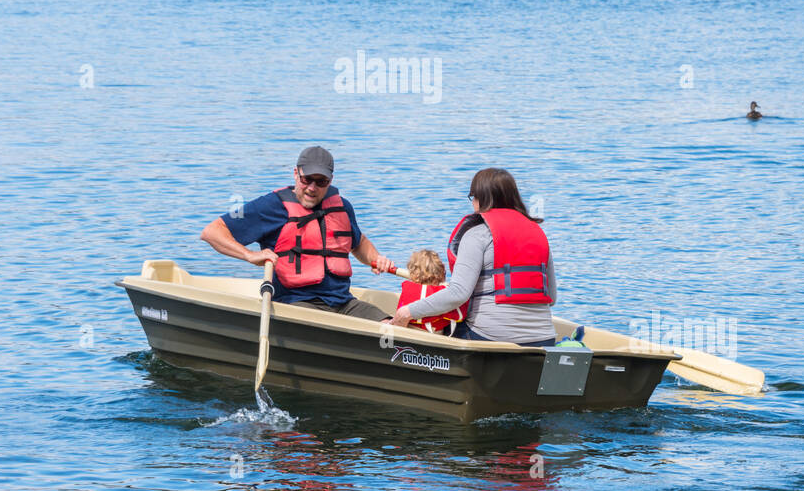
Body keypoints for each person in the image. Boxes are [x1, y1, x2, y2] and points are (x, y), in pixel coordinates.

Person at [199, 146, 393, 322]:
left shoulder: (342, 207)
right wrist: (250, 255)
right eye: (306, 179)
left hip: (344, 304)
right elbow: (212, 232)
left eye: (321, 181)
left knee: (389, 326)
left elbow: (358, 243)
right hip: (295, 305)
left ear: (330, 181)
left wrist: (376, 259)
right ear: (295, 174)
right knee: (323, 324)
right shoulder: (272, 206)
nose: (312, 188)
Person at [389, 168, 557, 345]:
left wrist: (407, 312)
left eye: (473, 197)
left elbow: (458, 293)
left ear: (481, 199)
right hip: (544, 339)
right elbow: (551, 297)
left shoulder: (477, 234)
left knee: (437, 326)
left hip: (489, 338)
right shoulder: (538, 234)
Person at [394, 249, 463, 335]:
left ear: (412, 273)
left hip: (414, 335)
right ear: (442, 272)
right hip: (441, 336)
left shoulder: (411, 292)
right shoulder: (446, 294)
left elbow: (399, 320)